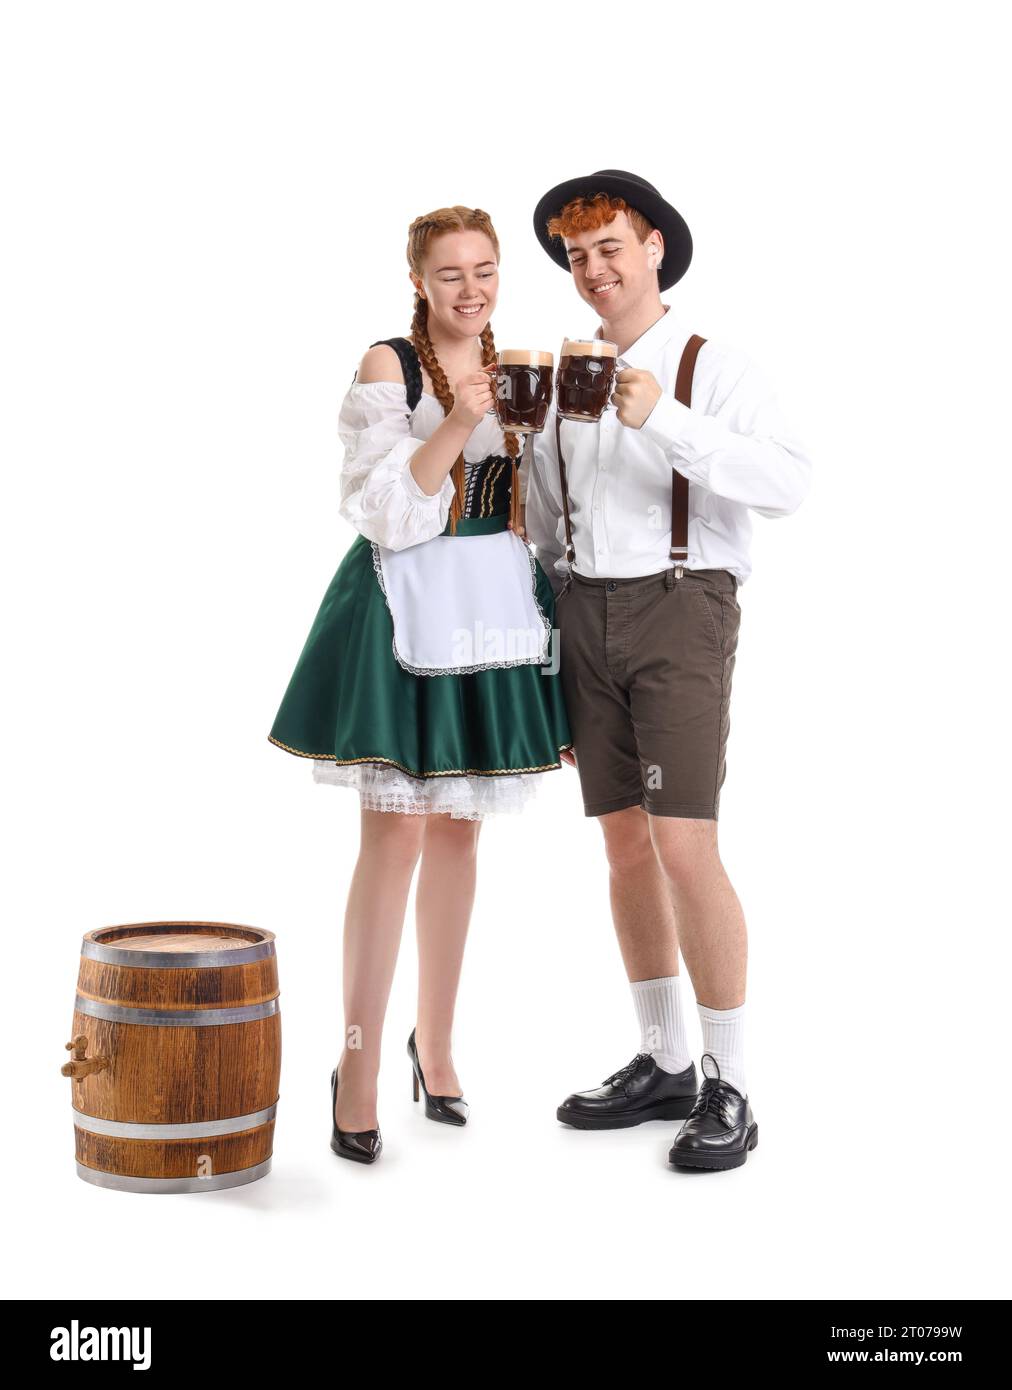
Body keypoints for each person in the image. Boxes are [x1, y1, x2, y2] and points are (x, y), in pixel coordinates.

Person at [268, 205, 571, 1164]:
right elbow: (385, 511)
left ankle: (433, 1045)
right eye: (451, 274)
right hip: (403, 605)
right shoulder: (387, 366)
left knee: (460, 835)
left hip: (489, 610)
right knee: (393, 835)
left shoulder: (526, 366)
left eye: (485, 271)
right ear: (420, 281)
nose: (471, 289)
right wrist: (468, 416)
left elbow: (545, 506)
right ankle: (355, 1063)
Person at [525, 170, 812, 1170]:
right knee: (623, 849)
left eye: (609, 247)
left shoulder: (714, 366)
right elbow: (551, 519)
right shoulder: (566, 371)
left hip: (680, 608)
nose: (592, 269)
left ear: (654, 248)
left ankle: (731, 1083)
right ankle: (665, 1062)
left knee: (685, 846)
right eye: (575, 256)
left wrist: (666, 420)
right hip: (585, 615)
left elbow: (788, 482)